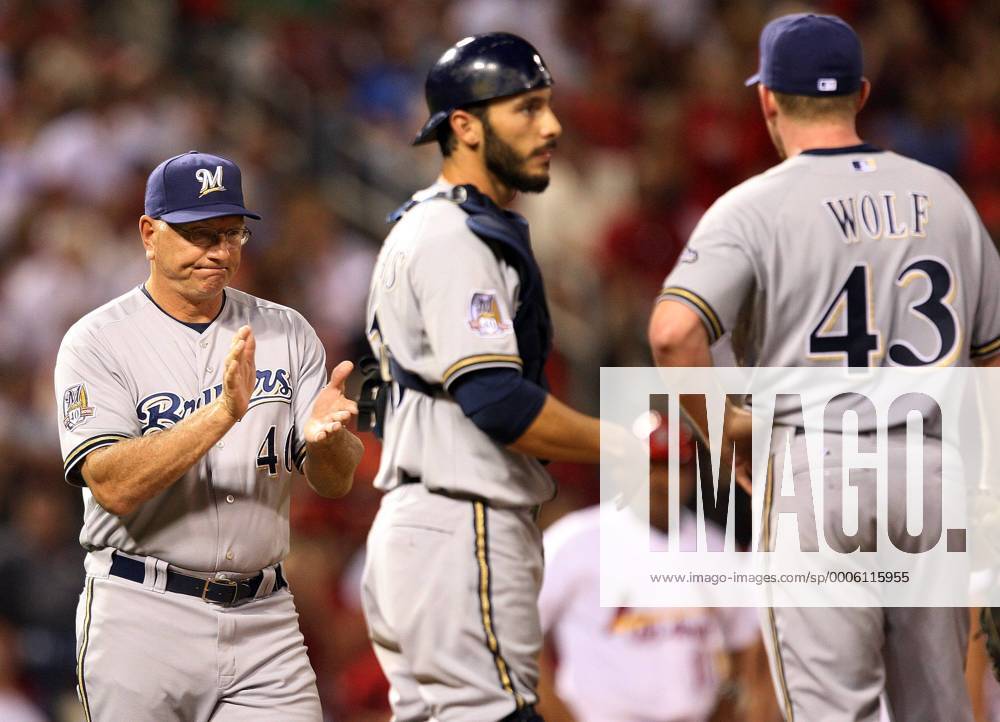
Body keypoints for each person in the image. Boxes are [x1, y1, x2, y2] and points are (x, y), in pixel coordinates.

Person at [648, 13, 1000, 722]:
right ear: (862, 94)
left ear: (767, 100)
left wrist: (724, 438)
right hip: (933, 473)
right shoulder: (946, 198)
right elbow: (991, 363)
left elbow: (673, 333)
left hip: (820, 470)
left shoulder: (751, 208)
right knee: (940, 710)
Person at [54, 150, 364, 721]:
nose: (219, 251)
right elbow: (113, 486)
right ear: (149, 233)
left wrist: (329, 443)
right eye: (198, 234)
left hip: (264, 617)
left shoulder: (286, 330)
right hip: (143, 614)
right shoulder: (97, 341)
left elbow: (334, 481)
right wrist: (222, 413)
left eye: (231, 233)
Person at [360, 33, 608, 721]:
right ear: (464, 127)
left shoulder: (434, 227)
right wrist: (632, 444)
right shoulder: (451, 236)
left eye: (548, 106)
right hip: (461, 521)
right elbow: (496, 400)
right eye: (526, 108)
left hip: (429, 524)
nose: (551, 125)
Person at [536, 414, 775, 722]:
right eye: (648, 465)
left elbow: (747, 647)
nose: (660, 479)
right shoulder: (575, 540)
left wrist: (728, 710)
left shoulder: (716, 547)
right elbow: (517, 635)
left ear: (692, 474)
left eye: (674, 467)